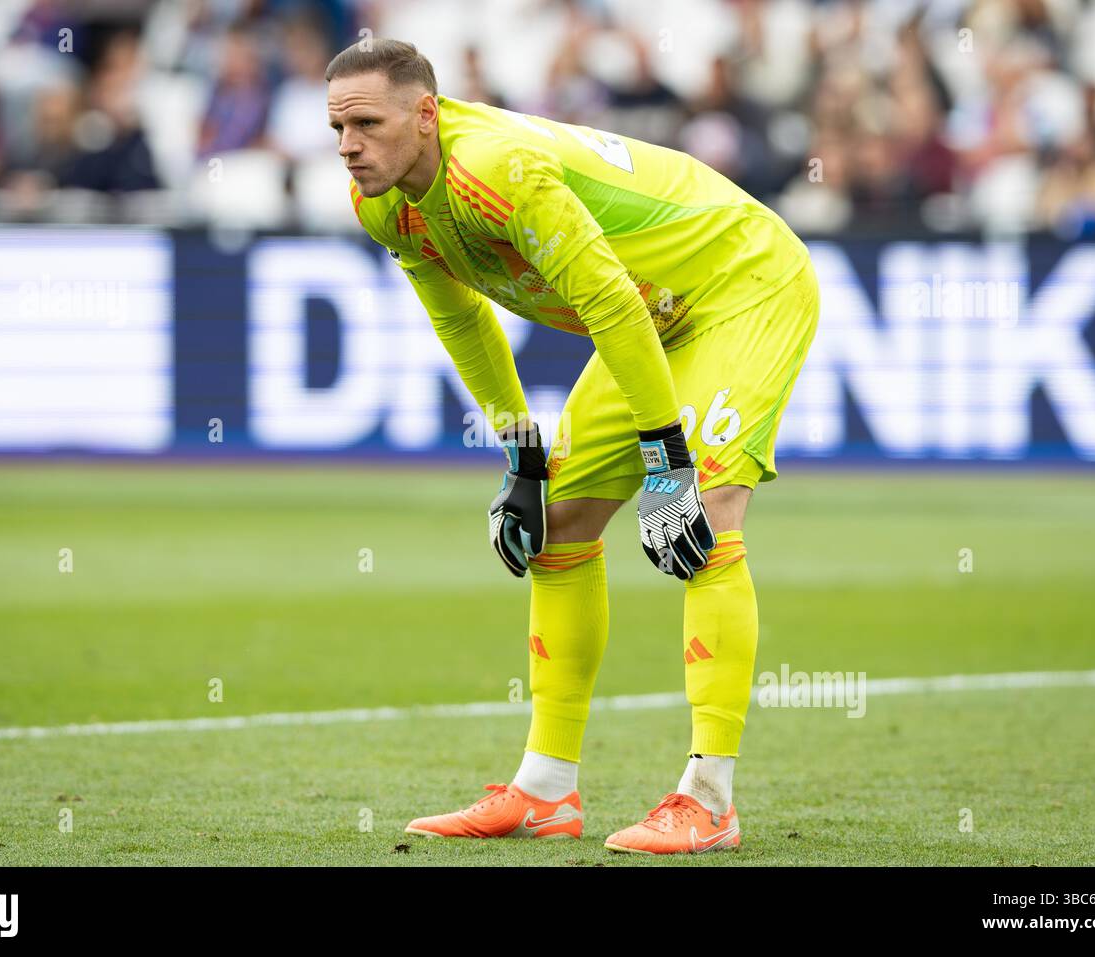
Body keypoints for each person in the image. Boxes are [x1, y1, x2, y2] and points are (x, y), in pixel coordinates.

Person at [326, 38, 818, 854]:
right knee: (559, 524)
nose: (348, 146)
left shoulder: (496, 170)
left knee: (706, 516)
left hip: (741, 283)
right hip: (652, 314)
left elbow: (612, 306)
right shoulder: (380, 201)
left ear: (425, 114)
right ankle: (546, 790)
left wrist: (669, 461)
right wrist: (521, 455)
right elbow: (461, 317)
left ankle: (711, 796)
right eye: (337, 127)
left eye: (366, 124)